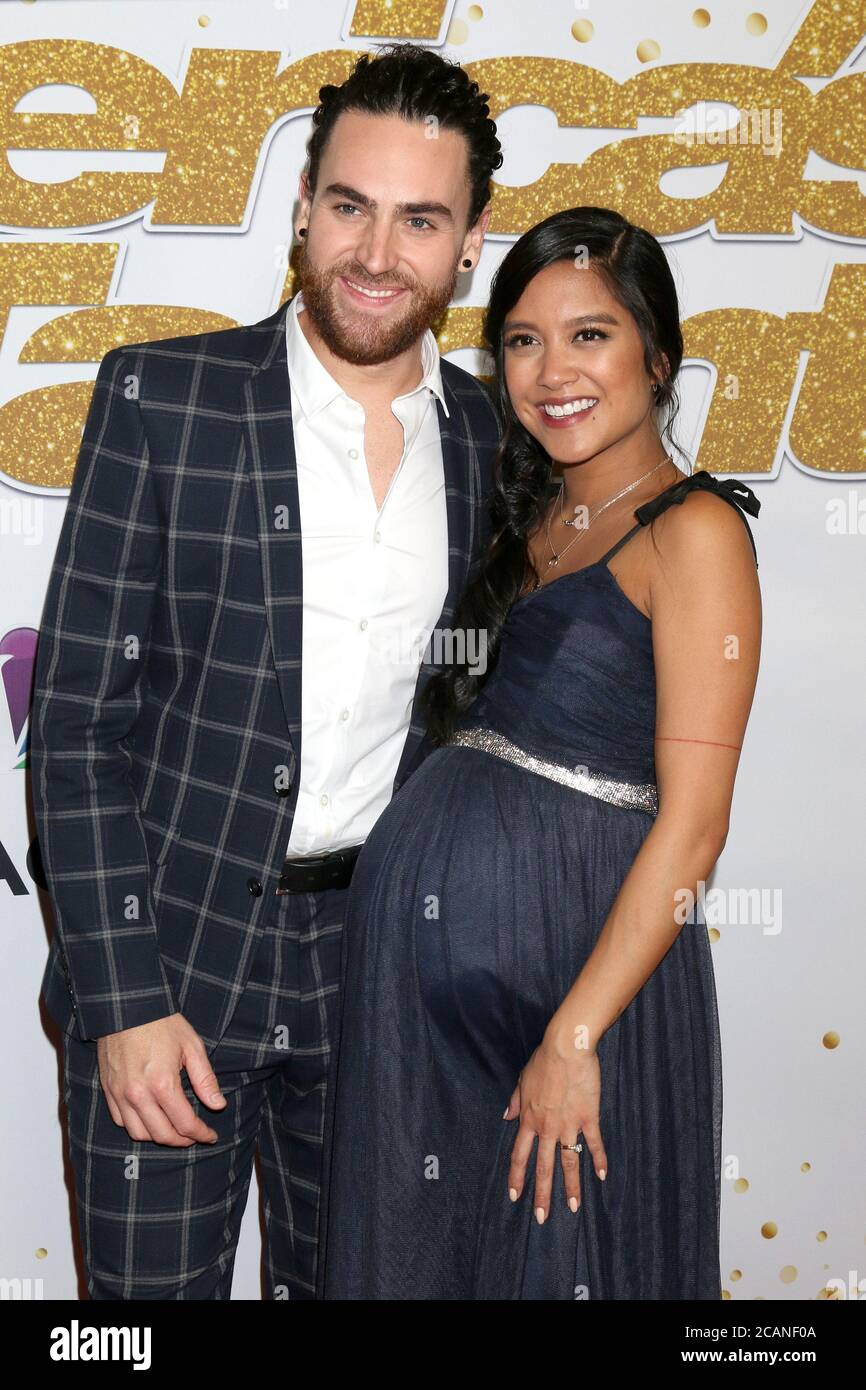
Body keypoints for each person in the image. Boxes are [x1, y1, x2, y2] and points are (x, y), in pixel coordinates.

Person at [29, 43, 502, 1300]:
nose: (373, 252)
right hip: (170, 962)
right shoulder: (164, 399)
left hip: (382, 975)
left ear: (468, 244)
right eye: (348, 205)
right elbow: (74, 725)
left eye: (419, 219)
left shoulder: (499, 442)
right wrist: (121, 1000)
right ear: (302, 206)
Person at [320, 206, 763, 1300]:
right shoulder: (529, 521)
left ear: (657, 357)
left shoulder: (693, 531)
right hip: (427, 1025)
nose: (549, 370)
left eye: (588, 335)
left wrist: (572, 1034)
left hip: (580, 995)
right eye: (520, 339)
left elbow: (695, 826)